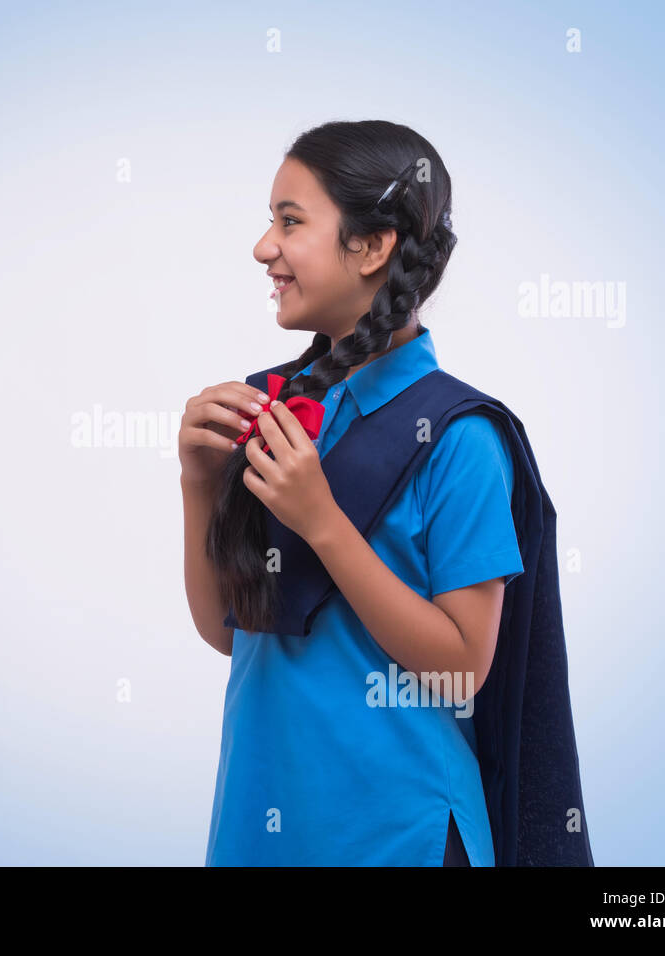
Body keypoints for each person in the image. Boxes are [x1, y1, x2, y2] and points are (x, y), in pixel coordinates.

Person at [178, 120, 592, 866]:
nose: (263, 247)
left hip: (398, 832)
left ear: (372, 247)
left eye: (290, 222)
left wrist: (324, 524)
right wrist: (198, 483)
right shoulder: (276, 407)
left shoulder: (460, 438)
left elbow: (463, 664)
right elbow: (229, 629)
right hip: (263, 820)